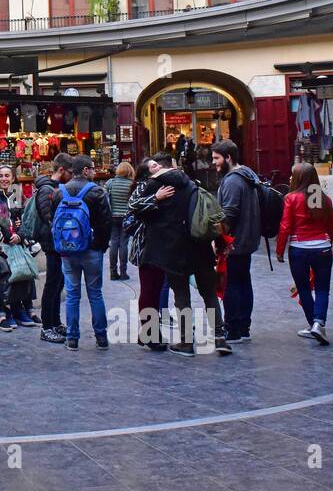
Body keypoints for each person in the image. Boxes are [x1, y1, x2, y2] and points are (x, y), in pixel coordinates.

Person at [127, 152, 195, 351]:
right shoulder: (147, 185)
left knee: (160, 290)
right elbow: (131, 209)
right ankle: (151, 333)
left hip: (166, 245)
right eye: (153, 167)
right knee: (151, 289)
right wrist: (155, 198)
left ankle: (149, 332)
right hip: (148, 246)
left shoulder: (175, 183)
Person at [277, 161, 333, 345]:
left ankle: (313, 325)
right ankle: (319, 323)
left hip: (299, 249)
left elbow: (285, 226)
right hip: (323, 248)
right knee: (322, 289)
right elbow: (330, 228)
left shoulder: (291, 198)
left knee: (304, 289)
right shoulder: (324, 199)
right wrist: (329, 245)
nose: (290, 178)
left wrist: (279, 250)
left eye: (293, 175)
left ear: (300, 178)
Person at [56, 155, 111, 351]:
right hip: (92, 250)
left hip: (67, 251)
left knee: (72, 295)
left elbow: (51, 221)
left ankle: (72, 338)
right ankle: (101, 337)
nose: (95, 172)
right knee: (95, 293)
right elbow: (106, 223)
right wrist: (101, 246)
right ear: (86, 170)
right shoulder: (97, 192)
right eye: (93, 169)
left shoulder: (59, 192)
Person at [211, 140, 262, 343]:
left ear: (228, 157)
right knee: (243, 281)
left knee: (232, 284)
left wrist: (217, 239)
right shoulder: (248, 175)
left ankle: (233, 329)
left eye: (216, 158)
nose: (213, 163)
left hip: (235, 241)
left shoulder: (233, 180)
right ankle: (244, 327)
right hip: (247, 239)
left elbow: (229, 214)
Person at [30, 153, 72, 343]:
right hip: (52, 242)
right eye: (69, 172)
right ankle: (47, 327)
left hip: (57, 242)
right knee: (52, 283)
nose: (71, 176)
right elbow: (49, 216)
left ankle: (55, 322)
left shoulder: (54, 188)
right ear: (61, 170)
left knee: (58, 282)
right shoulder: (47, 189)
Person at [0, 163, 32, 330]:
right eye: (2, 176)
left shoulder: (17, 194)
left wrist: (19, 235)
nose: (4, 179)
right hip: (0, 245)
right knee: (3, 278)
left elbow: (23, 219)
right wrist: (8, 235)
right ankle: (3, 312)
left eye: (7, 176)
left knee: (20, 276)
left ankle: (20, 310)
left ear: (13, 178)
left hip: (17, 243)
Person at [105, 161, 135, 280]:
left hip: (112, 217)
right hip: (126, 217)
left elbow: (103, 197)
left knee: (114, 243)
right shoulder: (132, 184)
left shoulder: (110, 183)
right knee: (124, 244)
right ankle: (123, 272)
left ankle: (113, 271)